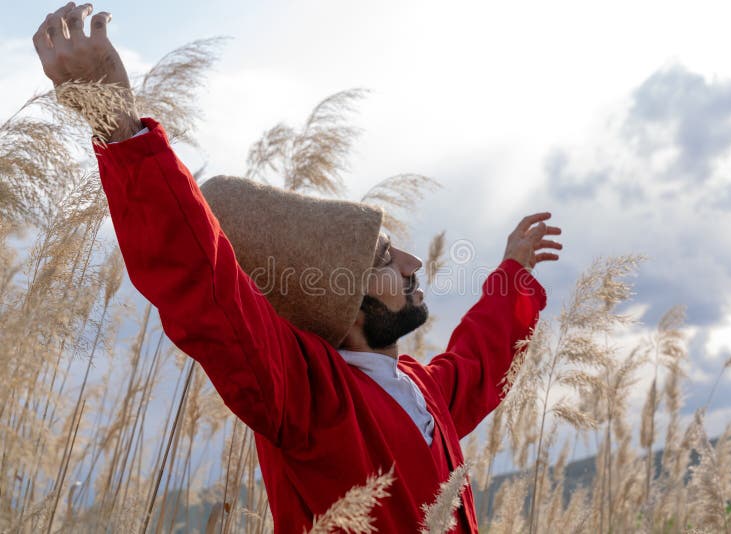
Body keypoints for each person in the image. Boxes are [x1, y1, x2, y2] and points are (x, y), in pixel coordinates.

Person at [33, 3, 563, 532]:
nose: (413, 262)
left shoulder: (416, 388)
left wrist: (512, 274)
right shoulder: (312, 400)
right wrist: (119, 126)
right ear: (343, 301)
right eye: (384, 258)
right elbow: (207, 288)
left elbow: (477, 365)